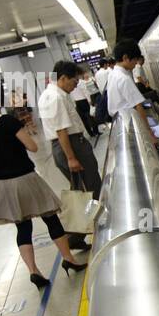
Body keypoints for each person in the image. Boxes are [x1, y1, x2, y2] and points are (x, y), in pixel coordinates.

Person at [0, 79, 86, 288]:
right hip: (24, 179)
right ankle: (69, 259)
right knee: (51, 219)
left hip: (1, 184)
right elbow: (32, 147)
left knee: (22, 228)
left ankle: (33, 271)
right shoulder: (8, 121)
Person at [39, 61, 102, 251]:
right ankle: (82, 233)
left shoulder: (55, 94)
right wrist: (71, 158)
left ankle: (76, 235)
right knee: (90, 189)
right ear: (63, 78)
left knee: (81, 193)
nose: (76, 84)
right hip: (71, 146)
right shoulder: (55, 97)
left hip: (71, 145)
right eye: (74, 81)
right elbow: (61, 131)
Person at [106, 40, 158, 145]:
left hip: (119, 122)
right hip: (128, 123)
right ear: (125, 58)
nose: (136, 63)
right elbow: (138, 106)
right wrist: (149, 132)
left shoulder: (113, 74)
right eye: (134, 60)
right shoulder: (124, 78)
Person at [70, 63, 99, 136]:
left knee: (83, 119)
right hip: (84, 101)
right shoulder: (81, 82)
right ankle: (96, 131)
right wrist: (89, 101)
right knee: (91, 117)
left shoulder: (71, 83)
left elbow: (71, 95)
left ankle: (90, 133)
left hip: (77, 103)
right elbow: (86, 92)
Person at [93, 58, 113, 130]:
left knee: (106, 109)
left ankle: (109, 123)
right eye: (106, 64)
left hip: (103, 94)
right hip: (109, 92)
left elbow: (97, 84)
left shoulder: (96, 74)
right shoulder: (107, 72)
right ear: (104, 64)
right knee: (112, 108)